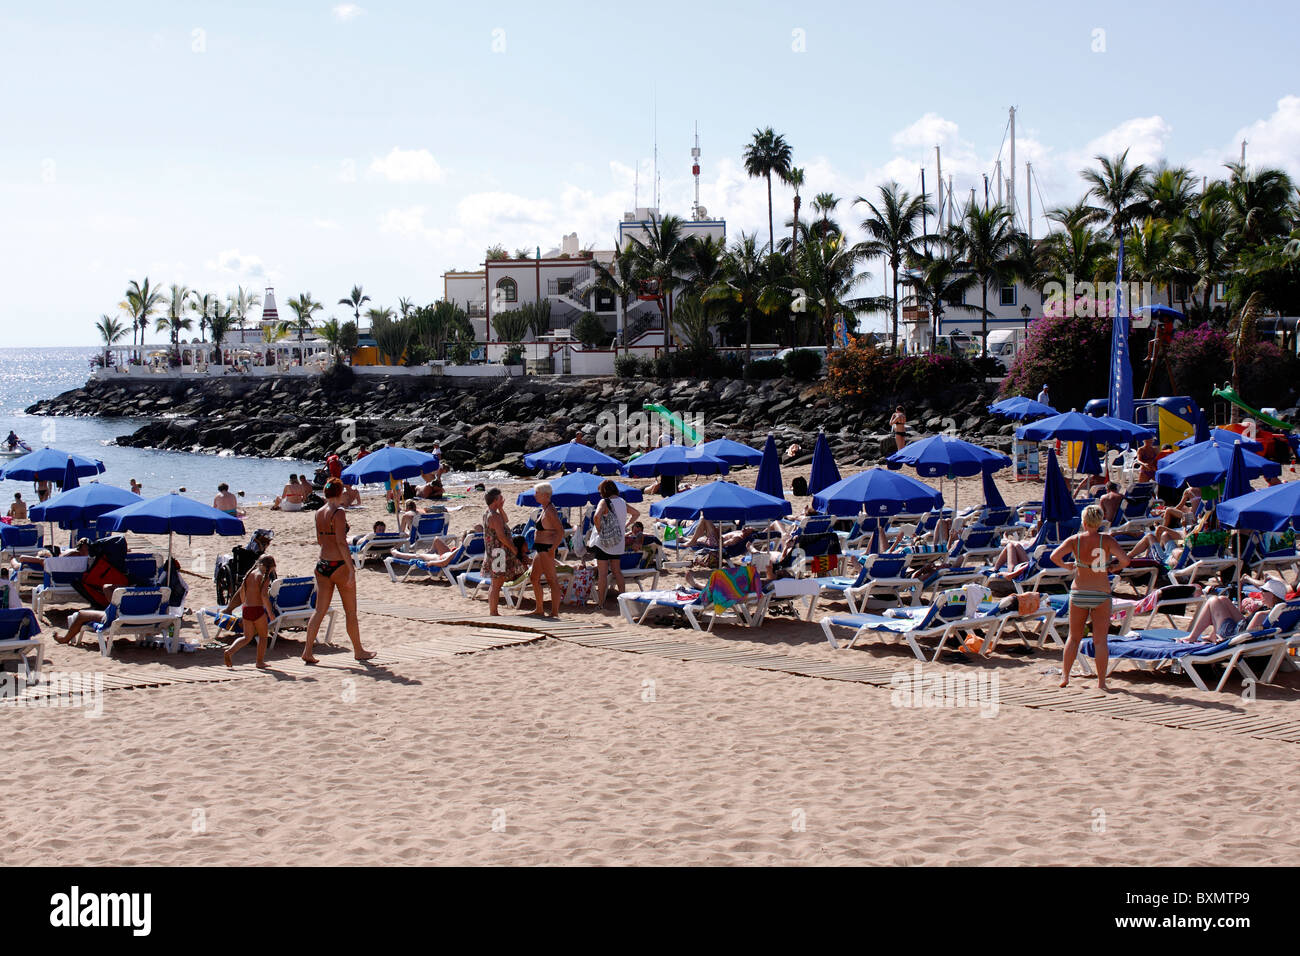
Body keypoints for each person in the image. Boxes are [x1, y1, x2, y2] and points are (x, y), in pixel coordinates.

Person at [1052, 504, 1131, 690]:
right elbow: (1126, 560)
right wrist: (1113, 568)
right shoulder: (1107, 540)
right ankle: (1101, 682)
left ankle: (1065, 677)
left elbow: (1055, 556)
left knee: (1073, 637)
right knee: (1100, 640)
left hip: (1080, 590)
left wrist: (1068, 566)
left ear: (1084, 521)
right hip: (1101, 591)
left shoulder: (1075, 540)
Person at [303, 478, 374, 663]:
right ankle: (358, 650)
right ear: (339, 492)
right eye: (343, 491)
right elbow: (342, 543)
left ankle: (307, 651)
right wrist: (351, 568)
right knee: (350, 612)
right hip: (339, 564)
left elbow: (320, 540)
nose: (345, 494)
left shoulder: (319, 512)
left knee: (319, 611)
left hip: (322, 564)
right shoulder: (339, 513)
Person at [1177, 577, 1288, 643]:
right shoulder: (1282, 611)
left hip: (1232, 635)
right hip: (1244, 629)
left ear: (1273, 595)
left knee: (1213, 600)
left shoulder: (1261, 615)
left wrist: (1254, 614)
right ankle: (1211, 635)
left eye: (1264, 590)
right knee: (1223, 599)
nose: (1261, 593)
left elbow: (1246, 636)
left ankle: (1193, 637)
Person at [222, 554, 275, 669]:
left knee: (246, 637)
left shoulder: (249, 574)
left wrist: (244, 605)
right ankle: (259, 662)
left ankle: (229, 651)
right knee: (263, 637)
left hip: (246, 609)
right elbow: (264, 596)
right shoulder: (264, 577)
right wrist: (270, 613)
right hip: (257, 610)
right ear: (269, 567)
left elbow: (241, 592)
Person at [592, 478, 639, 604]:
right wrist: (625, 525)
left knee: (602, 574)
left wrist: (599, 529)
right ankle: (623, 601)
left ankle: (601, 603)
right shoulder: (622, 502)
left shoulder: (604, 501)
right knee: (617, 571)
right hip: (617, 542)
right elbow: (636, 513)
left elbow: (596, 516)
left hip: (604, 543)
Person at [482, 488, 520, 617]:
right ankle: (493, 612)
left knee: (496, 582)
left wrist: (501, 508)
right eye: (500, 498)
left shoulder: (492, 513)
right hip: (498, 553)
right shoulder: (493, 516)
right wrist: (513, 548)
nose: (502, 500)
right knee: (496, 583)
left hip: (496, 552)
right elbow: (501, 537)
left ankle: (494, 611)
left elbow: (506, 520)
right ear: (495, 500)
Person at [529, 482, 564, 617]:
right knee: (534, 577)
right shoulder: (544, 508)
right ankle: (539, 608)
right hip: (540, 548)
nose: (535, 495)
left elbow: (560, 531)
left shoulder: (549, 511)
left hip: (547, 548)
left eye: (537, 493)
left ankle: (554, 612)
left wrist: (553, 548)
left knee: (551, 579)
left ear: (545, 495)